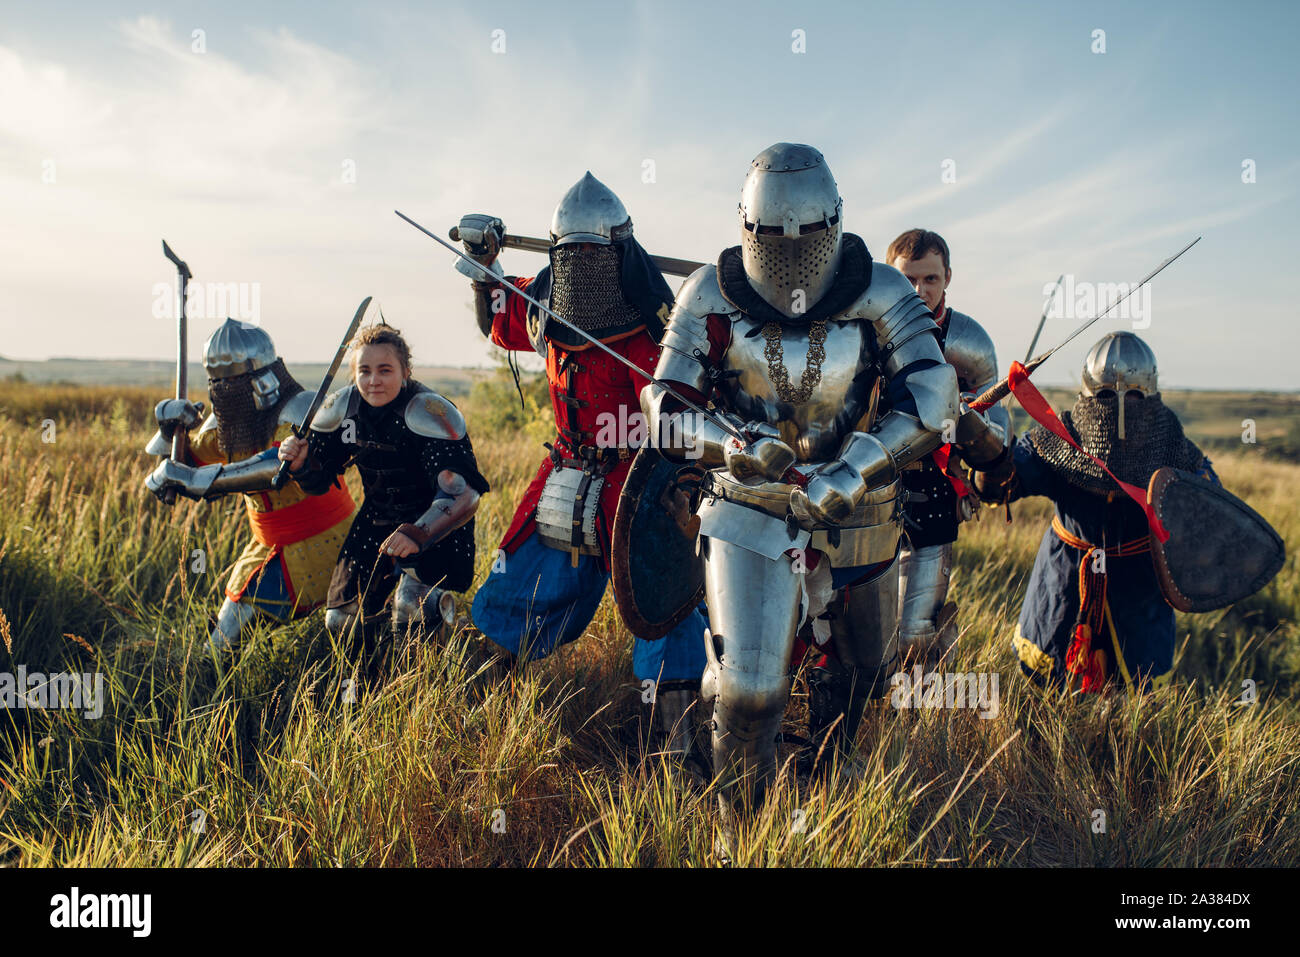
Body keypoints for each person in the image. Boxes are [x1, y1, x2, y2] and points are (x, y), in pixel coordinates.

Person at [642, 143, 1010, 807]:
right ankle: (737, 823)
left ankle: (827, 781)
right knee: (749, 688)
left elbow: (932, 395)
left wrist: (860, 463)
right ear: (746, 228)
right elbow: (664, 405)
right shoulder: (709, 291)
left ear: (833, 225)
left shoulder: (881, 289)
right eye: (772, 236)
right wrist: (730, 444)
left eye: (806, 236)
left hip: (862, 510)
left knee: (864, 675)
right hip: (750, 504)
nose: (790, 251)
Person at [452, 172, 708, 758]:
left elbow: (692, 411)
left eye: (595, 256)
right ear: (557, 257)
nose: (583, 269)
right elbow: (497, 311)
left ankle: (679, 751)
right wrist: (481, 257)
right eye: (572, 258)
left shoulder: (662, 325)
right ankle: (483, 729)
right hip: (566, 472)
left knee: (663, 609)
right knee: (511, 591)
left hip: (644, 483)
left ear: (620, 252)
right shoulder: (546, 305)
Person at [974, 331, 1216, 691]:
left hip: (1138, 592)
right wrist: (991, 455)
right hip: (1065, 582)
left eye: (1132, 395)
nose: (1120, 406)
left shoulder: (1173, 448)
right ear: (1089, 395)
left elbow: (1209, 512)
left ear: (1148, 395)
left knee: (1132, 703)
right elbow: (1004, 484)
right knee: (1047, 694)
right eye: (1106, 395)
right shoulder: (1060, 437)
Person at [278, 324, 488, 670]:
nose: (374, 380)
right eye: (365, 370)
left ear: (406, 372)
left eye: (385, 370)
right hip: (376, 520)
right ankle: (363, 688)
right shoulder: (344, 409)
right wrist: (302, 464)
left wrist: (417, 533)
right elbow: (319, 479)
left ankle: (422, 688)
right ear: (354, 374)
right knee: (342, 618)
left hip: (435, 526)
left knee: (410, 607)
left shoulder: (430, 411)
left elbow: (463, 493)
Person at [145, 319, 356, 653]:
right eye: (219, 383)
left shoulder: (300, 411)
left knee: (351, 630)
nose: (226, 392)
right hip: (268, 544)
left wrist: (194, 479)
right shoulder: (229, 425)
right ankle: (217, 692)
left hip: (327, 538)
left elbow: (276, 466)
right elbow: (182, 467)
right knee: (225, 637)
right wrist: (170, 432)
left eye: (234, 382)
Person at [885, 228, 1011, 660]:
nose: (919, 290)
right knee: (857, 635)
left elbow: (996, 433)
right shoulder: (868, 332)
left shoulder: (968, 341)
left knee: (915, 636)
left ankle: (917, 720)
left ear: (947, 277)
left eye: (930, 279)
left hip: (933, 497)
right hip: (865, 493)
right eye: (908, 280)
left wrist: (967, 419)